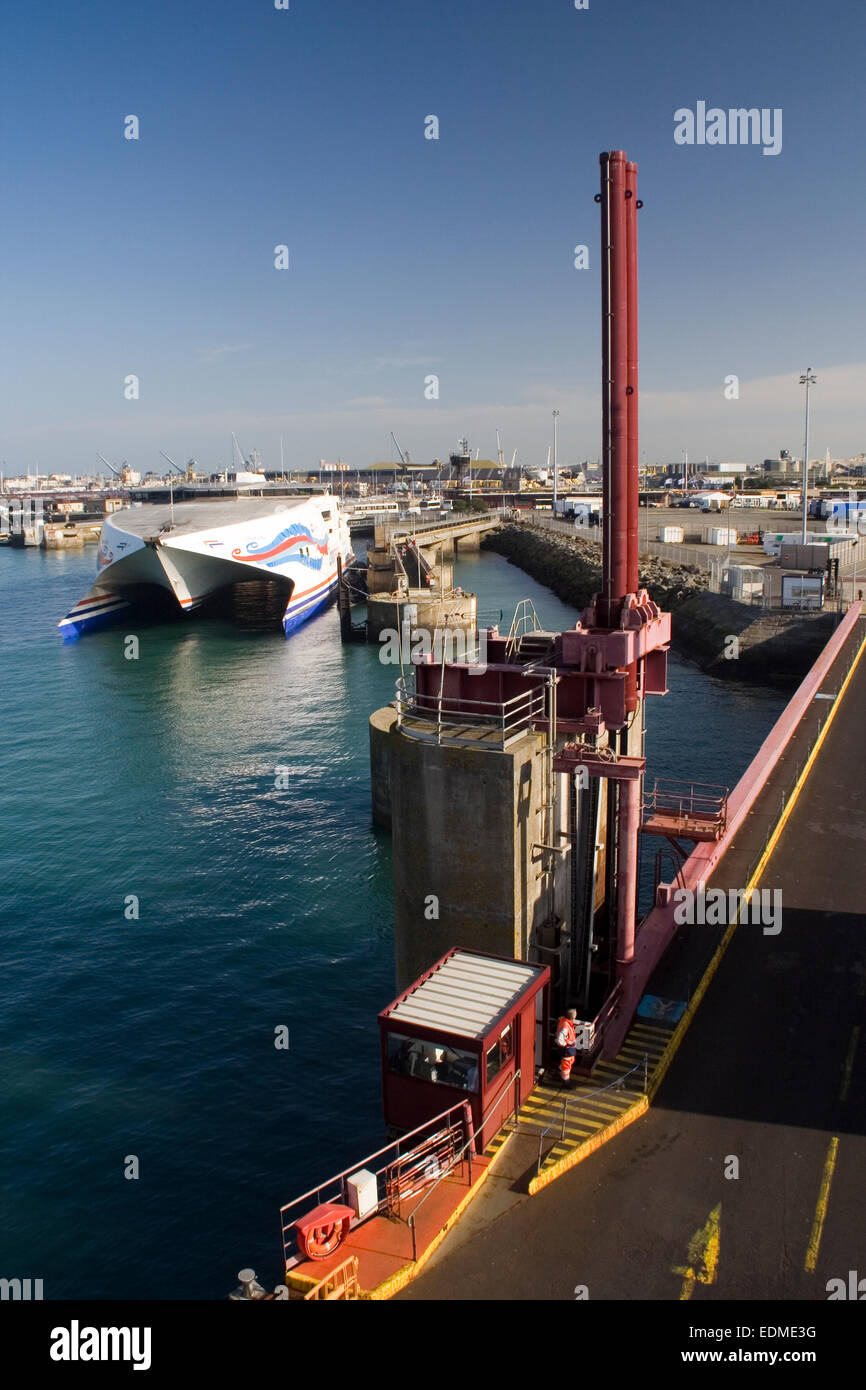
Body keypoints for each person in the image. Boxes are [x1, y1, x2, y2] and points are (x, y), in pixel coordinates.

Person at [555, 1008, 579, 1086]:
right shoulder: (565, 1026)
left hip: (569, 1049)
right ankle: (566, 1082)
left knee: (570, 1061)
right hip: (567, 1049)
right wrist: (564, 1044)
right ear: (573, 1017)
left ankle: (559, 1072)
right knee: (566, 1066)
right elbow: (560, 1040)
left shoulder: (565, 1022)